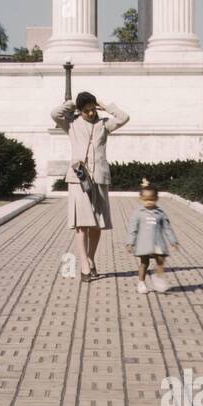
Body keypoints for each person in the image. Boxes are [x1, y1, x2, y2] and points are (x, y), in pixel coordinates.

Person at [51, 92, 130, 280]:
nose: (91, 113)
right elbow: (55, 114)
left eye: (93, 109)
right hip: (78, 178)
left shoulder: (104, 125)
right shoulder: (70, 124)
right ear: (80, 110)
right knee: (82, 224)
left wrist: (105, 105)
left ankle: (91, 259)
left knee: (96, 225)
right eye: (87, 111)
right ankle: (84, 265)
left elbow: (124, 118)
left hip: (99, 179)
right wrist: (71, 105)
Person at [125, 180, 178, 294]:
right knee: (144, 263)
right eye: (146, 199)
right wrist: (130, 243)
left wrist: (173, 241)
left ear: (156, 198)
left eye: (152, 199)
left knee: (160, 260)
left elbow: (167, 228)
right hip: (144, 243)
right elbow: (132, 229)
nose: (149, 202)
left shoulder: (160, 213)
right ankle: (141, 282)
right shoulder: (138, 212)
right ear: (141, 199)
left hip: (158, 242)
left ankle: (157, 278)